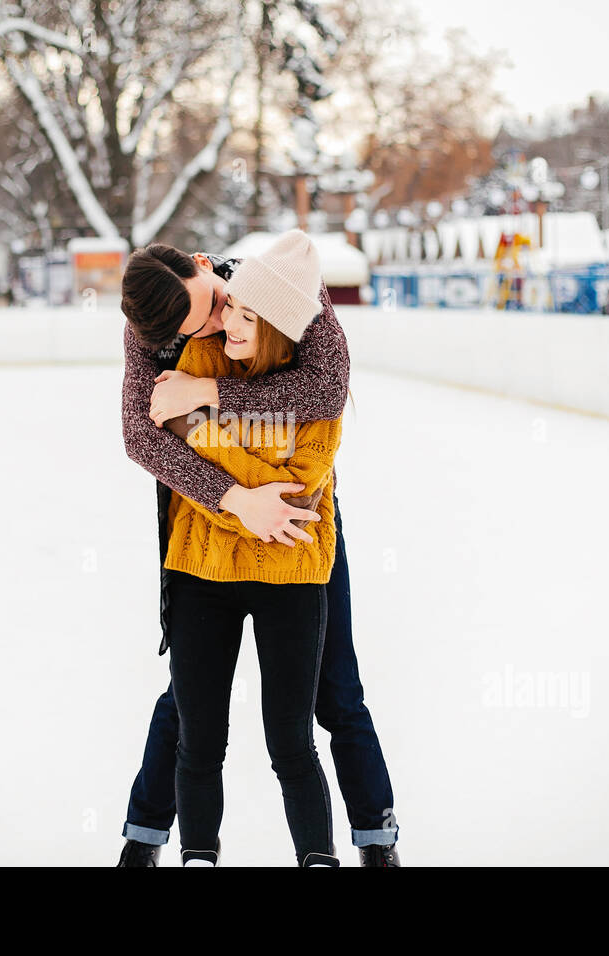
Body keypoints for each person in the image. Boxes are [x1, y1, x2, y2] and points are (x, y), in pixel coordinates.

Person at [118, 241, 401, 867]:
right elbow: (142, 433)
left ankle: (376, 842)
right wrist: (233, 498)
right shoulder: (153, 323)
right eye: (201, 327)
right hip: (206, 523)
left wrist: (210, 396)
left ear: (204, 262)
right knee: (190, 701)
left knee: (334, 689)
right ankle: (145, 839)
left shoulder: (283, 283)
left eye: (218, 304)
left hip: (293, 514)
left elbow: (326, 393)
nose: (221, 324)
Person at [154, 231, 343, 866]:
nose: (227, 319)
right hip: (200, 570)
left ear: (281, 330)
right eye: (232, 306)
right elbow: (170, 435)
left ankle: (319, 858)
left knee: (290, 739)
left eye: (246, 315)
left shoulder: (317, 383)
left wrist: (232, 487)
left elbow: (303, 485)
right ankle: (197, 856)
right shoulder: (202, 355)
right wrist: (251, 502)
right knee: (200, 740)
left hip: (291, 570)